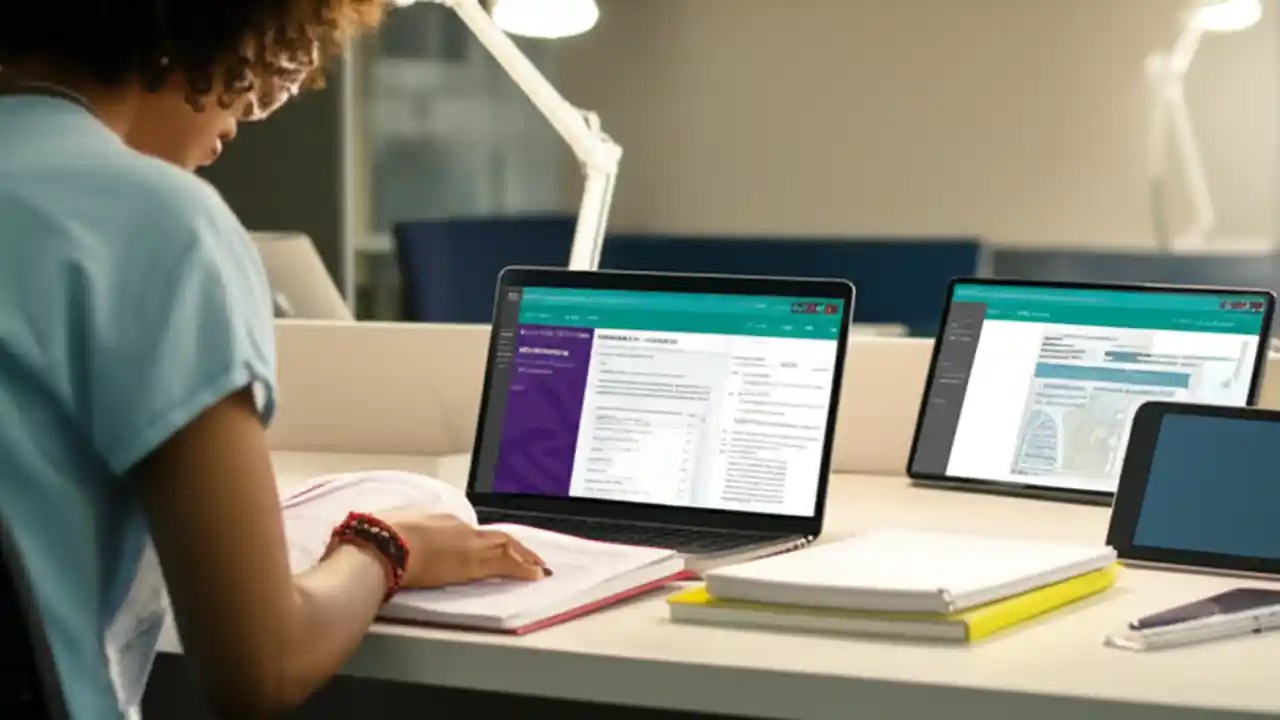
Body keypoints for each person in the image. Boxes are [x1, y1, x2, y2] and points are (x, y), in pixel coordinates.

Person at [0, 2, 549, 718]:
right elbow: (262, 667)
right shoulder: (155, 221)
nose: (241, 115)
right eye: (254, 74)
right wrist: (385, 548)